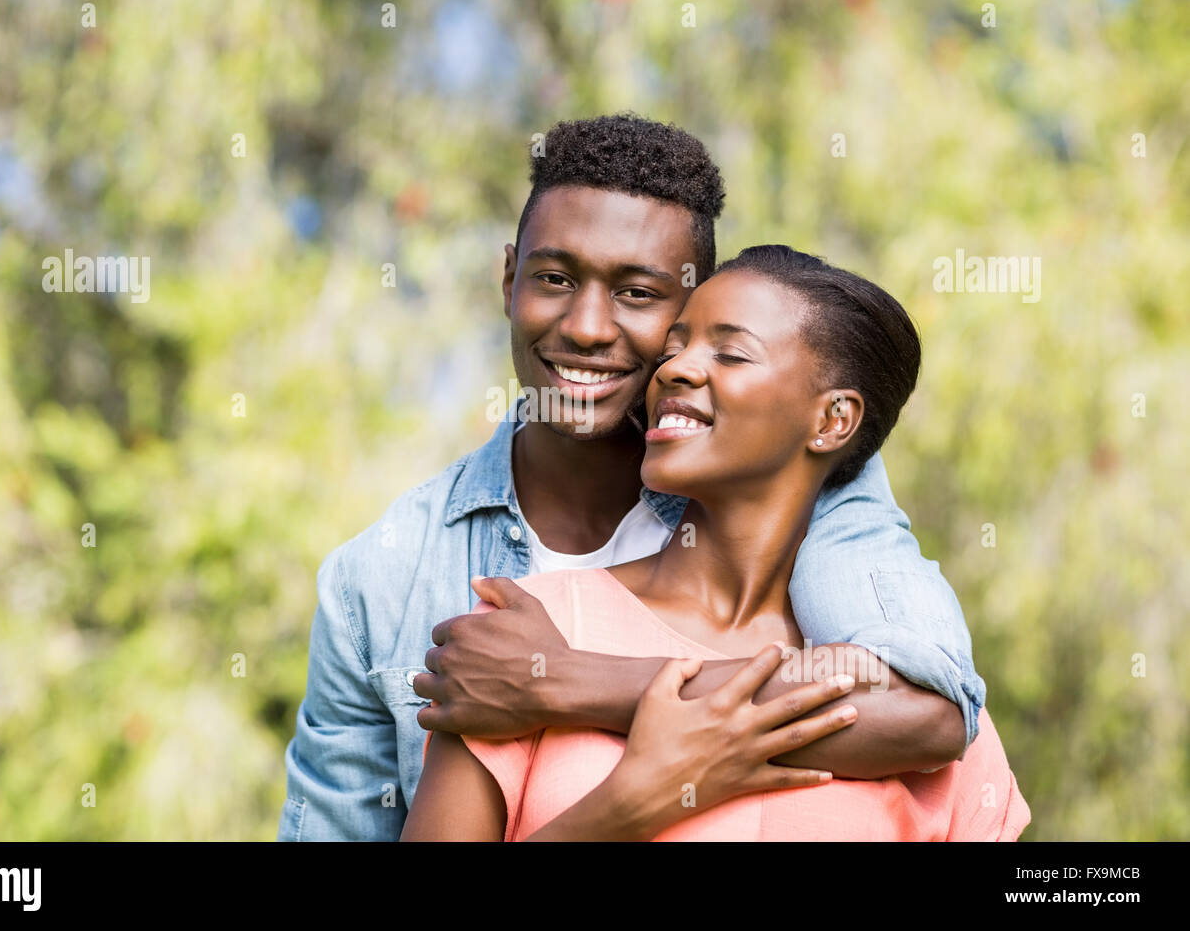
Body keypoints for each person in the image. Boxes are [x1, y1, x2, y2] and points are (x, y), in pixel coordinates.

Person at [278, 116, 984, 842]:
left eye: (639, 293)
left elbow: (926, 709)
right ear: (508, 280)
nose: (586, 326)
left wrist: (560, 681)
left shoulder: (820, 502)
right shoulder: (380, 582)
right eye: (553, 278)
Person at [402, 245, 1029, 841]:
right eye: (675, 346)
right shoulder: (525, 635)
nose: (674, 367)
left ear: (833, 420)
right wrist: (629, 806)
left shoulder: (914, 684)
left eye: (731, 354)